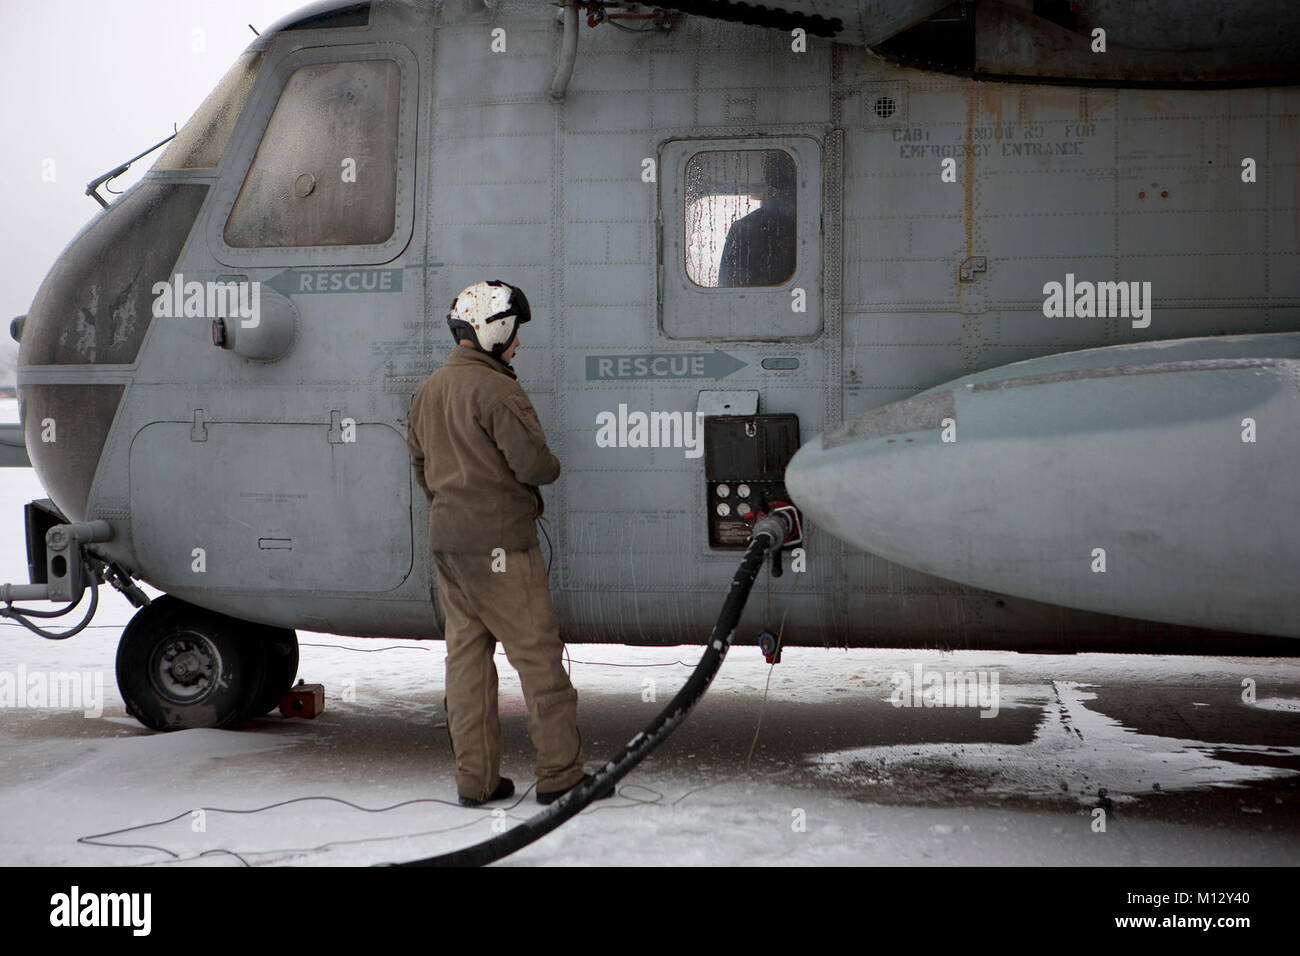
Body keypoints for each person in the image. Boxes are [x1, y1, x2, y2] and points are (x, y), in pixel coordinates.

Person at [407, 280, 605, 807]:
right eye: (514, 335)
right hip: (501, 549)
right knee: (538, 660)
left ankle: (477, 781)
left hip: (450, 546)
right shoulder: (498, 391)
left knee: (467, 664)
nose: (518, 345)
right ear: (493, 331)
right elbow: (536, 465)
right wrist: (548, 466)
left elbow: (422, 468)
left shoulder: (427, 390)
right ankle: (562, 775)